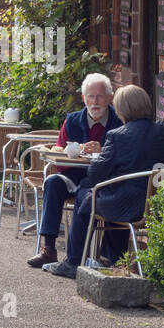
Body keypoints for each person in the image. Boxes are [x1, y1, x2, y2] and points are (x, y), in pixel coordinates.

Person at [43, 84, 164, 279]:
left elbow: (95, 175)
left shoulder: (118, 136)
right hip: (161, 204)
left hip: (127, 206)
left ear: (122, 110)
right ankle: (114, 259)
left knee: (84, 193)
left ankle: (74, 261)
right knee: (100, 194)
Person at [26, 73, 122, 268]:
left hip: (102, 181)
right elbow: (59, 160)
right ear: (83, 98)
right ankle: (49, 249)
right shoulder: (72, 120)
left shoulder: (118, 122)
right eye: (90, 96)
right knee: (52, 182)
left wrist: (103, 151)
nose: (95, 102)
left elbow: (123, 160)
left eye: (100, 96)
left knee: (87, 190)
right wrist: (78, 151)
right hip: (73, 175)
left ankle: (94, 255)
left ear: (109, 98)